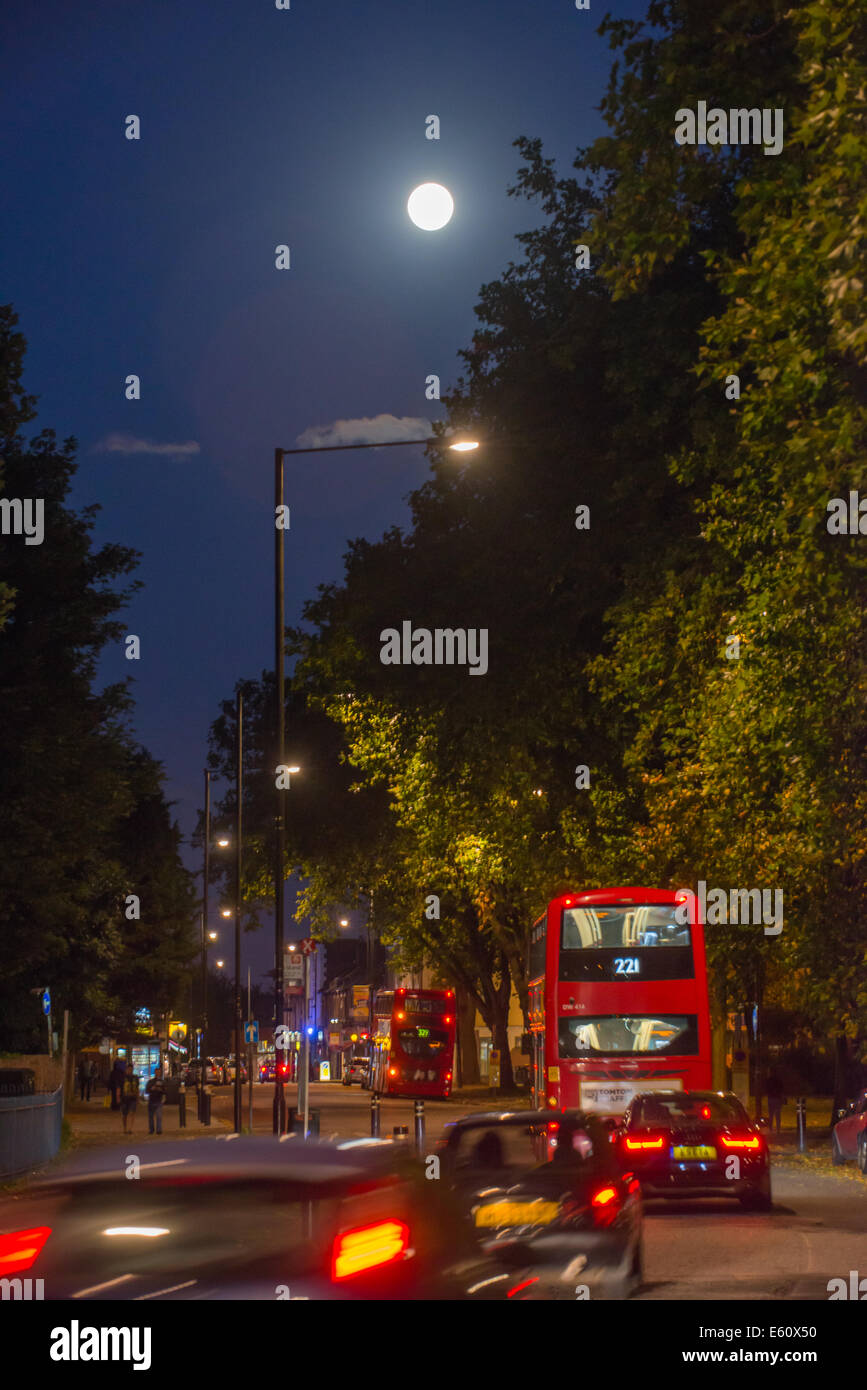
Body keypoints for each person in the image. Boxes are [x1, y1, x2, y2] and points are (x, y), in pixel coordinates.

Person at [145, 1068, 166, 1135]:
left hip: (158, 1100)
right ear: (155, 1072)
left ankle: (158, 1130)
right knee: (151, 1116)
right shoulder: (151, 1082)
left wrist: (160, 1090)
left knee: (159, 1116)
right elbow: (147, 1091)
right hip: (151, 1100)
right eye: (157, 1072)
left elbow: (165, 1091)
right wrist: (152, 1089)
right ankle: (151, 1129)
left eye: (159, 1072)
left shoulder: (162, 1082)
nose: (158, 1073)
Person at [121, 1068, 140, 1134]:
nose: (129, 1071)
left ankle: (130, 1128)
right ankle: (125, 1128)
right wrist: (118, 1097)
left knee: (132, 1113)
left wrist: (138, 1098)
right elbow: (119, 1088)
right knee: (124, 1115)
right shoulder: (123, 1078)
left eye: (131, 1070)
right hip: (124, 1098)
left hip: (133, 1098)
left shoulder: (135, 1078)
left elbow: (137, 1088)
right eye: (128, 1069)